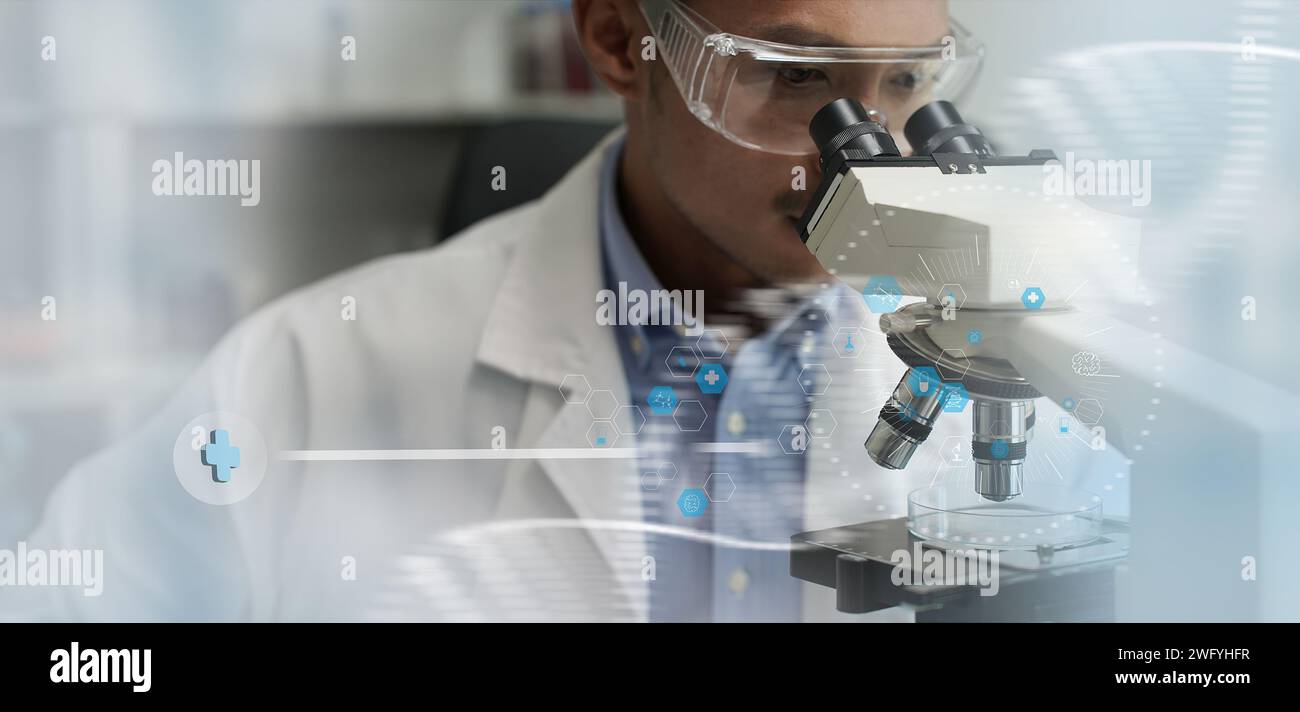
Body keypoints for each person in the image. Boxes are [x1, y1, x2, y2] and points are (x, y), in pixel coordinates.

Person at [7, 0, 984, 622]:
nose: (872, 157)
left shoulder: (1001, 370)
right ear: (616, 39)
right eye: (793, 75)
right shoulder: (301, 375)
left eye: (902, 83)